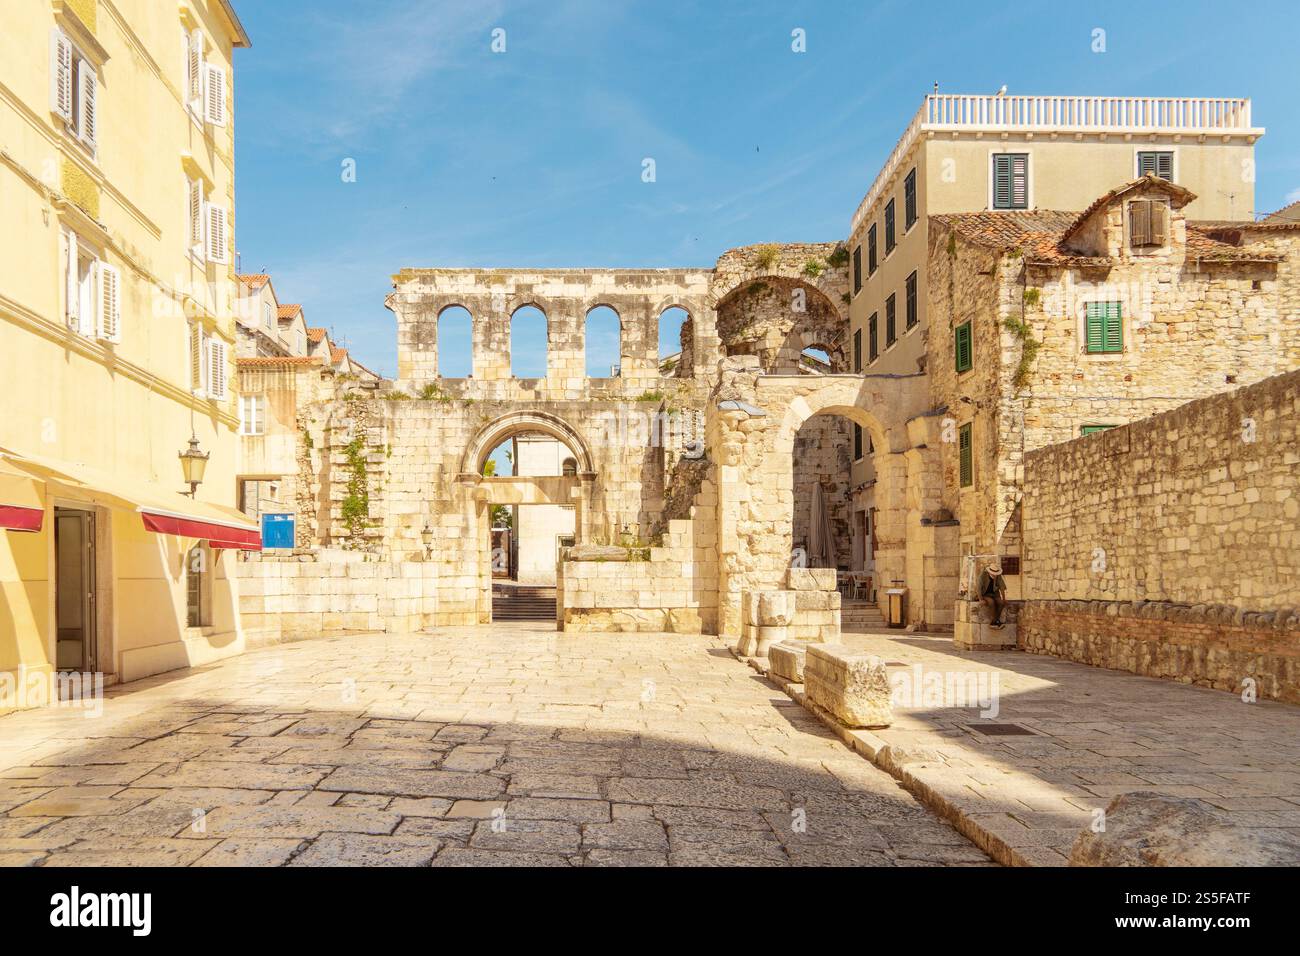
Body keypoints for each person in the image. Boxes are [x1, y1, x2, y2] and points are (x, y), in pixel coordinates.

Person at [977, 563, 1007, 628]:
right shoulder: (982, 576)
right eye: (993, 573)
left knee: (1001, 603)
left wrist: (1004, 599)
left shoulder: (998, 576)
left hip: (995, 594)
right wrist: (981, 599)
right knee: (991, 602)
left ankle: (994, 621)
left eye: (996, 573)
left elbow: (1002, 587)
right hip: (985, 594)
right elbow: (978, 588)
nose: (995, 575)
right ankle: (995, 621)